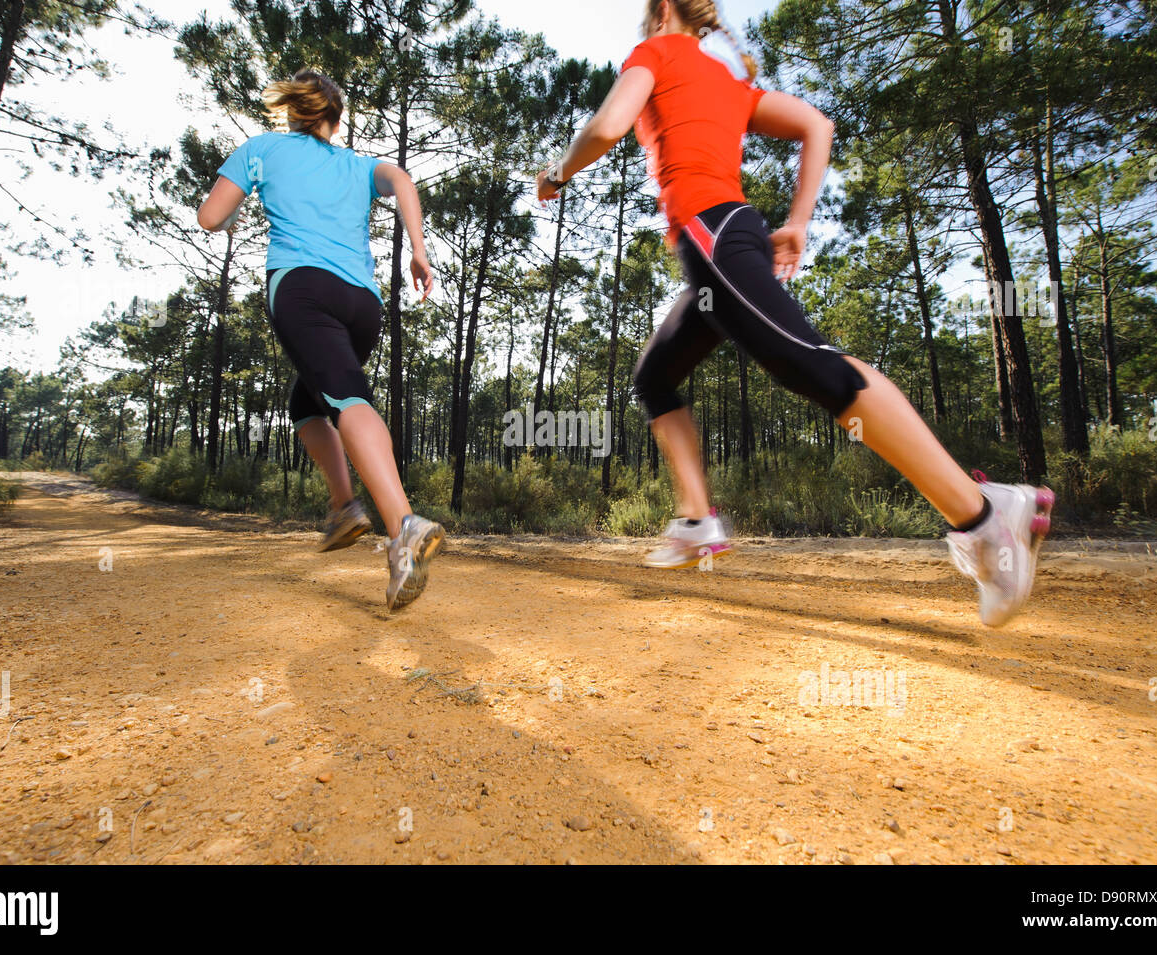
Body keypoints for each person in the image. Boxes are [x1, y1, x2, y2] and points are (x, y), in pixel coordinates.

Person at [536, 0, 1053, 627]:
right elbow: (817, 125)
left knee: (810, 365)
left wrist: (557, 174)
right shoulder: (729, 83)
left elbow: (608, 125)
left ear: (663, 9)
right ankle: (698, 520)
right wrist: (798, 223)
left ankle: (983, 514)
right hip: (721, 245)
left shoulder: (653, 54)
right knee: (655, 377)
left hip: (712, 237)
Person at [198, 69, 444, 611]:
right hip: (362, 304)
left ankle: (404, 527)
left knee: (346, 398)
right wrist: (418, 251)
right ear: (335, 121)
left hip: (303, 290)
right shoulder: (357, 164)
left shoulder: (261, 149)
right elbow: (402, 179)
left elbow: (211, 216)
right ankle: (344, 509)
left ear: (292, 113)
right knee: (308, 402)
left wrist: (238, 205)